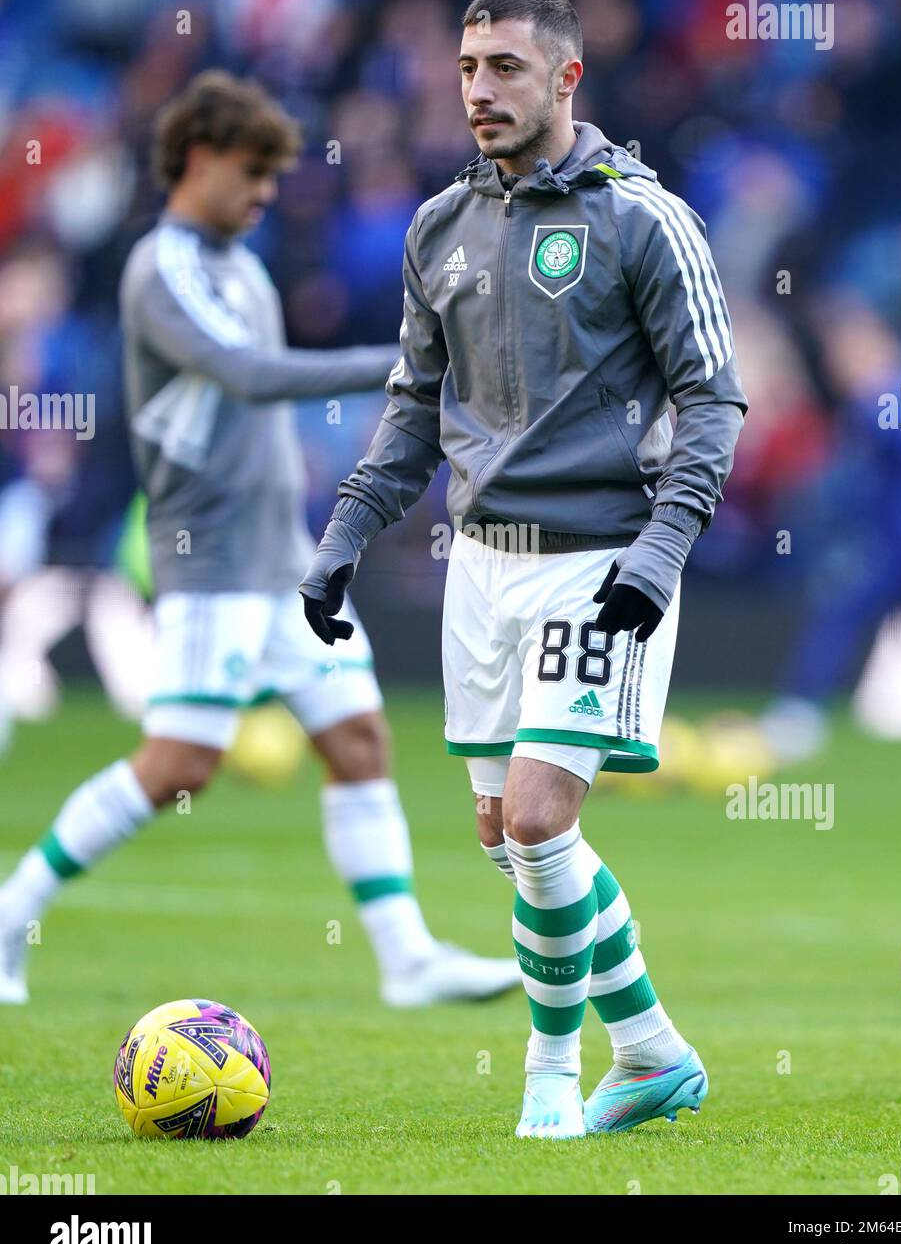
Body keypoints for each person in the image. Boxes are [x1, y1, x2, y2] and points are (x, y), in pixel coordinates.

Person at [301, 0, 747, 1138]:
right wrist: (347, 530)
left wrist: (663, 546)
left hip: (598, 563)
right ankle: (649, 1049)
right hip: (481, 568)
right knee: (509, 846)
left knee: (545, 821)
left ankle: (549, 1073)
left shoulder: (642, 219)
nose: (479, 91)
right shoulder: (438, 226)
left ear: (565, 77)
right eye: (465, 69)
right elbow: (412, 407)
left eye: (503, 67)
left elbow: (712, 398)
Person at [0, 71, 518, 1010]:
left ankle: (406, 958)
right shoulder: (161, 266)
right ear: (197, 161)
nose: (267, 195)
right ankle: (10, 915)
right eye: (252, 174)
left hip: (285, 558)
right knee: (179, 765)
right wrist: (408, 361)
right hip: (211, 559)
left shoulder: (237, 263)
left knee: (359, 739)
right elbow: (245, 373)